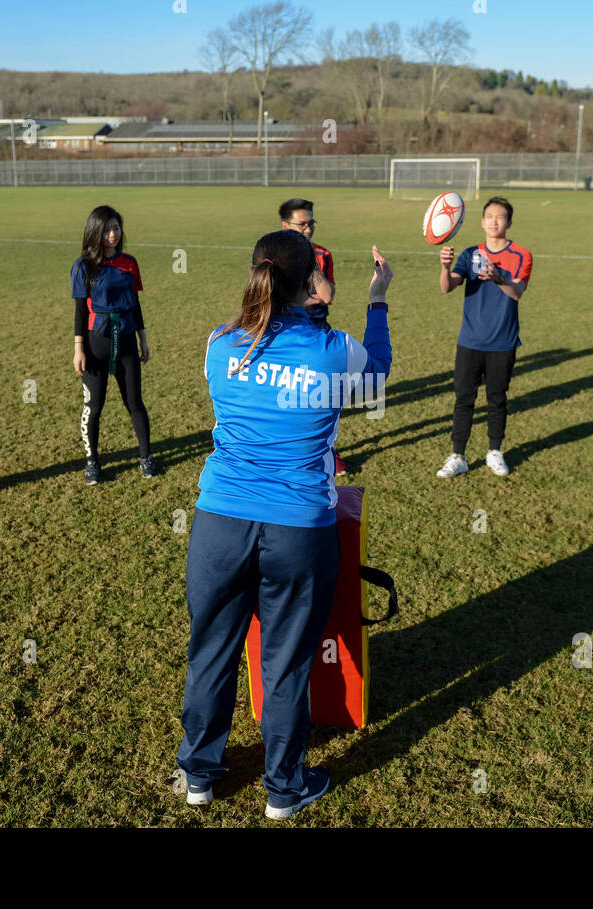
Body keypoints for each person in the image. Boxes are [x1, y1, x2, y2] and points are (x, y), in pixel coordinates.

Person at [177, 230, 392, 820]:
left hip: (220, 521)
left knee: (211, 651)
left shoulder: (219, 344)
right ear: (307, 286)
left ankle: (198, 773)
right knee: (287, 660)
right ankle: (284, 786)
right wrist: (377, 299)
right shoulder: (329, 348)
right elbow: (376, 376)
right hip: (298, 527)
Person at [436, 196, 533, 478]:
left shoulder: (521, 255)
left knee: (497, 398)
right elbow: (447, 288)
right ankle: (458, 455)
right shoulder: (469, 254)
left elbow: (517, 292)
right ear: (481, 221)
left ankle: (494, 451)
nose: (494, 221)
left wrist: (499, 277)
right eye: (489, 216)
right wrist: (444, 266)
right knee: (463, 398)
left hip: (503, 341)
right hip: (470, 340)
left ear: (509, 222)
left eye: (500, 217)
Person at [71, 205, 155, 483]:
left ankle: (146, 458)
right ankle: (92, 462)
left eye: (116, 228)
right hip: (96, 342)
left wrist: (143, 338)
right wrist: (78, 348)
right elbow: (81, 311)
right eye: (106, 229)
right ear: (95, 231)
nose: (112, 234)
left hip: (127, 339)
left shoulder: (129, 262)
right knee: (94, 406)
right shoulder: (83, 266)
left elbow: (137, 303)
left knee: (135, 402)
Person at [279, 197, 347, 476]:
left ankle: (327, 452)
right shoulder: (275, 254)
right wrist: (306, 299)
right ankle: (287, 453)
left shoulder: (322, 254)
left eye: (311, 223)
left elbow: (327, 296)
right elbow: (270, 297)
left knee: (321, 400)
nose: (308, 229)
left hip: (317, 333)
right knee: (286, 398)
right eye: (302, 224)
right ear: (286, 225)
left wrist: (295, 296)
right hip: (283, 335)